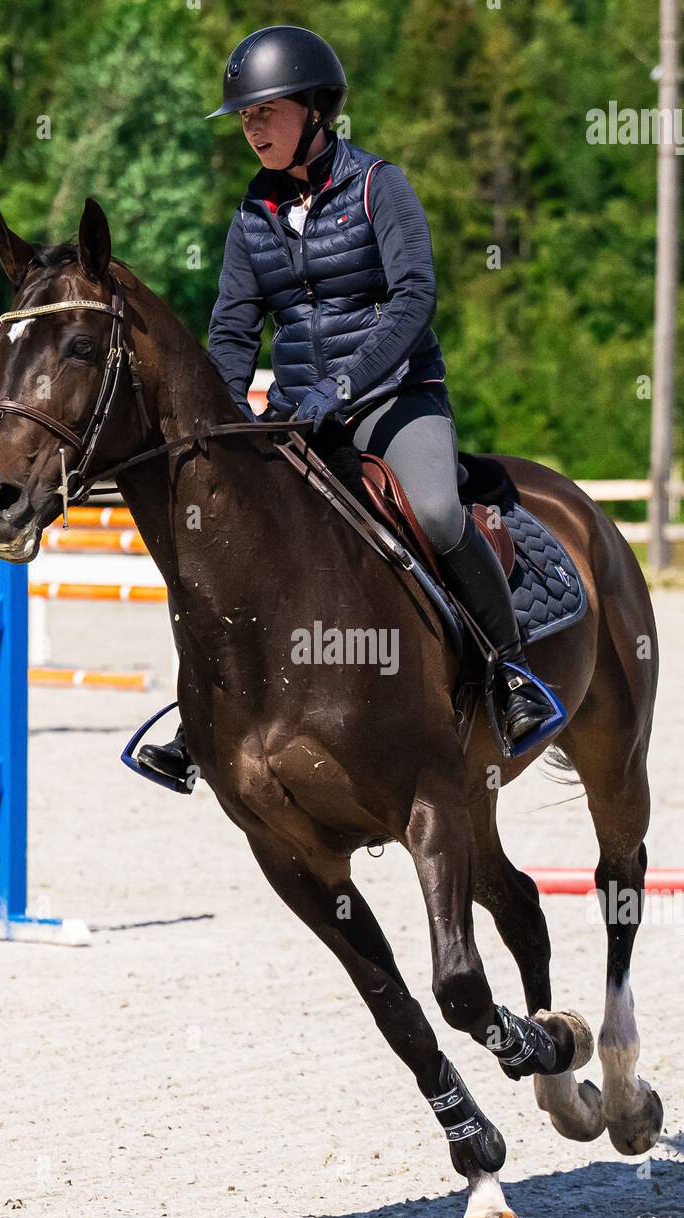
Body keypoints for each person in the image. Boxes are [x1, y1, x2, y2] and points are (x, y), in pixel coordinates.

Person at [138, 25, 561, 789]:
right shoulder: (252, 211)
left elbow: (413, 301)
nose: (252, 127)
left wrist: (341, 387)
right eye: (244, 117)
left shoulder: (377, 186)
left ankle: (509, 677)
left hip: (397, 397)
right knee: (234, 534)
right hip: (298, 411)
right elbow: (234, 326)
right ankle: (197, 710)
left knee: (433, 512)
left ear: (313, 109)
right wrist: (227, 416)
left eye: (264, 111)